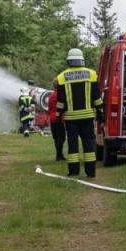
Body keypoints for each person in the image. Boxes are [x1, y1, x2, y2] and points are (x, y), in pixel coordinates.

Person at [55, 48, 103, 178]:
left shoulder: (61, 77)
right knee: (88, 143)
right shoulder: (92, 74)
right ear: (82, 60)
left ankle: (74, 171)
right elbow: (96, 96)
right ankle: (91, 172)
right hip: (87, 117)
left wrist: (58, 114)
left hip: (71, 119)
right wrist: (100, 111)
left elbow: (60, 101)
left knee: (73, 145)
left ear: (69, 61)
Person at [47, 86, 66, 161]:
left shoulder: (51, 95)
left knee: (57, 138)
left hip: (53, 119)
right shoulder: (59, 95)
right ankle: (59, 155)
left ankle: (59, 155)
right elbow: (61, 107)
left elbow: (49, 108)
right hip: (58, 119)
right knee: (61, 138)